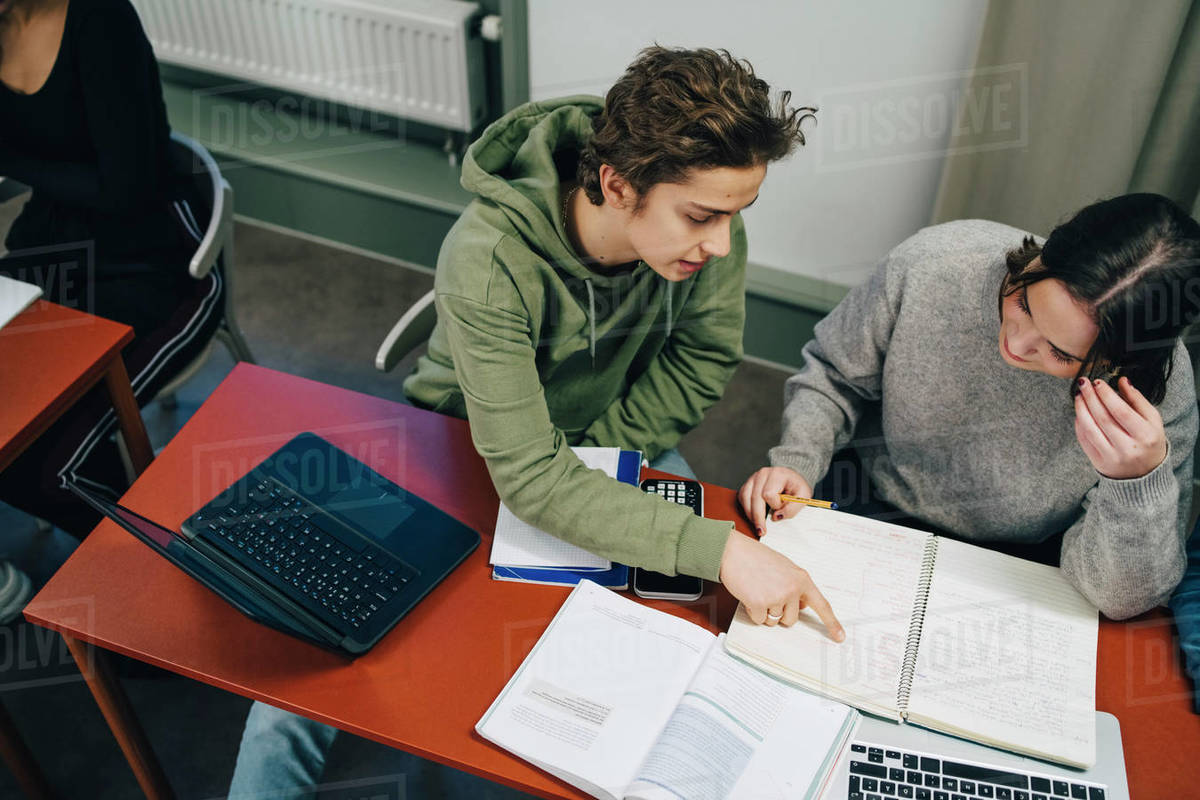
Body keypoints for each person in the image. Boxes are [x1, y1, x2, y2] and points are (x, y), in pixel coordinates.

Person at [228, 46, 843, 797]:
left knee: (689, 636)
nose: (720, 243)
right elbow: (524, 473)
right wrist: (709, 546)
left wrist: (601, 464)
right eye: (702, 217)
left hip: (621, 435)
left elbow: (704, 359)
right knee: (304, 671)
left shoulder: (710, 225)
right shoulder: (488, 256)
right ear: (618, 185)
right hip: (458, 445)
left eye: (734, 216)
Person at [740, 193, 1200, 621]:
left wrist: (1136, 484)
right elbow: (833, 374)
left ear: (1116, 361)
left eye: (1060, 353)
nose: (1016, 345)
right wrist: (800, 458)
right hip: (871, 500)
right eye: (1024, 301)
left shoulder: (1155, 399)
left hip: (1030, 559)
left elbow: (1122, 599)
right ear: (1041, 257)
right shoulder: (936, 263)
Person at [0, 0, 222, 534]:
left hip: (155, 265)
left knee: (52, 468)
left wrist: (8, 160)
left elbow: (125, 190)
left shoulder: (99, 19)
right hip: (50, 254)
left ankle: (138, 568)